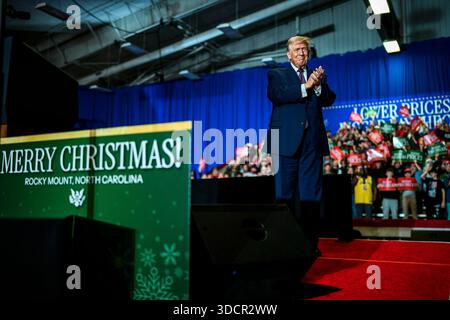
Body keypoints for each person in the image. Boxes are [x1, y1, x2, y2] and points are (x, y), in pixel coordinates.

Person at [267, 35, 336, 254]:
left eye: (305, 50)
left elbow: (329, 98)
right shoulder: (276, 74)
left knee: (310, 196)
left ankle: (309, 245)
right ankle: (283, 244)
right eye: (297, 50)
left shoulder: (317, 76)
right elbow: (277, 96)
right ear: (288, 54)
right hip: (285, 142)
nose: (301, 53)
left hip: (311, 143)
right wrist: (306, 86)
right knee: (283, 195)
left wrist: (317, 87)